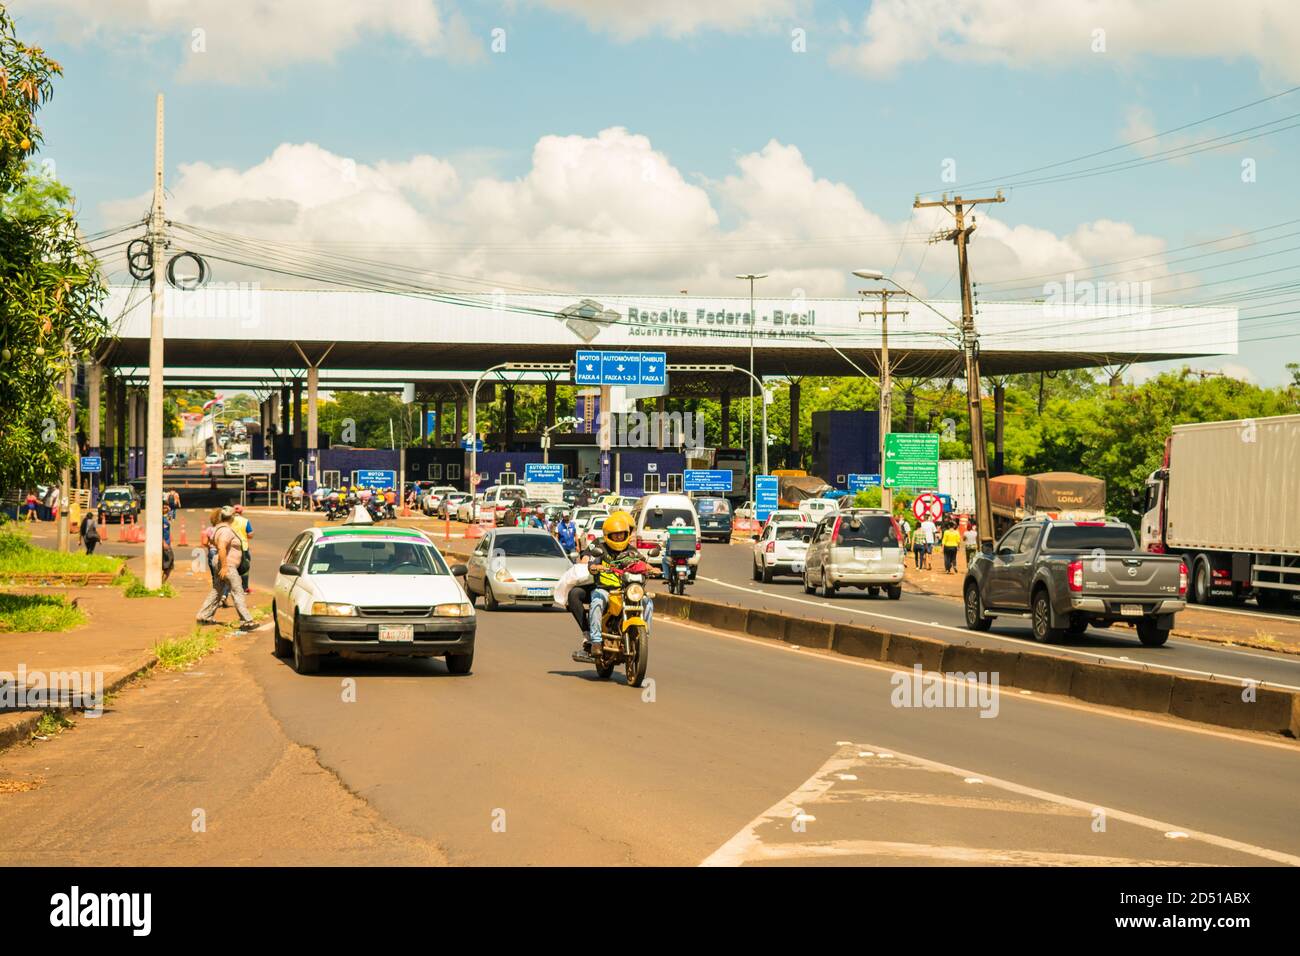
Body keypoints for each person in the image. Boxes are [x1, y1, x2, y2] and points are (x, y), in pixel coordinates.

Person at [568, 510, 655, 659]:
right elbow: (588, 560)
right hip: (605, 589)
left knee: (648, 602)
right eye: (616, 533)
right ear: (609, 532)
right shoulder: (599, 546)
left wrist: (652, 568)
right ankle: (594, 640)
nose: (621, 536)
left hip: (627, 589)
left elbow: (642, 563)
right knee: (595, 601)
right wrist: (592, 566)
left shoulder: (631, 550)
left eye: (624, 532)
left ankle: (643, 636)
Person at [196, 506, 256, 629]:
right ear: (231, 517)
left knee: (217, 590)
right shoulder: (226, 531)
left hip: (221, 563)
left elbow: (212, 542)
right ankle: (246, 621)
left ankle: (204, 616)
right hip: (227, 565)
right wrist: (224, 566)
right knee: (237, 591)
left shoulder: (218, 529)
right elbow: (221, 547)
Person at [231, 504, 253, 593]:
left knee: (232, 567)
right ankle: (244, 588)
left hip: (231, 547)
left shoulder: (229, 521)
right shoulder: (245, 521)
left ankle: (231, 588)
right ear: (241, 512)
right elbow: (250, 534)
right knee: (245, 568)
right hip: (243, 546)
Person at [160, 504, 175, 583]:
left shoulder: (163, 518)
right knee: (168, 566)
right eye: (164, 507)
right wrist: (163, 542)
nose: (166, 508)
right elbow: (158, 532)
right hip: (164, 545)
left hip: (167, 544)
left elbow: (171, 518)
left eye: (167, 507)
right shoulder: (160, 519)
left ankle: (161, 583)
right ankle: (161, 584)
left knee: (168, 566)